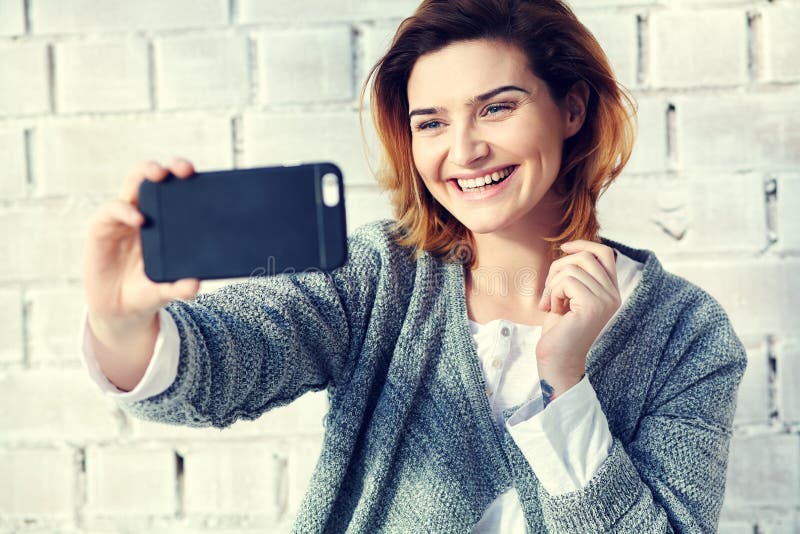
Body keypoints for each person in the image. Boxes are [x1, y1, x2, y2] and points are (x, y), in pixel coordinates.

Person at [80, 0, 747, 532]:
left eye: (496, 108)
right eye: (430, 123)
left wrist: (565, 384)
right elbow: (227, 360)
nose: (464, 150)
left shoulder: (685, 332)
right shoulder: (380, 277)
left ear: (571, 108)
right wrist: (120, 323)